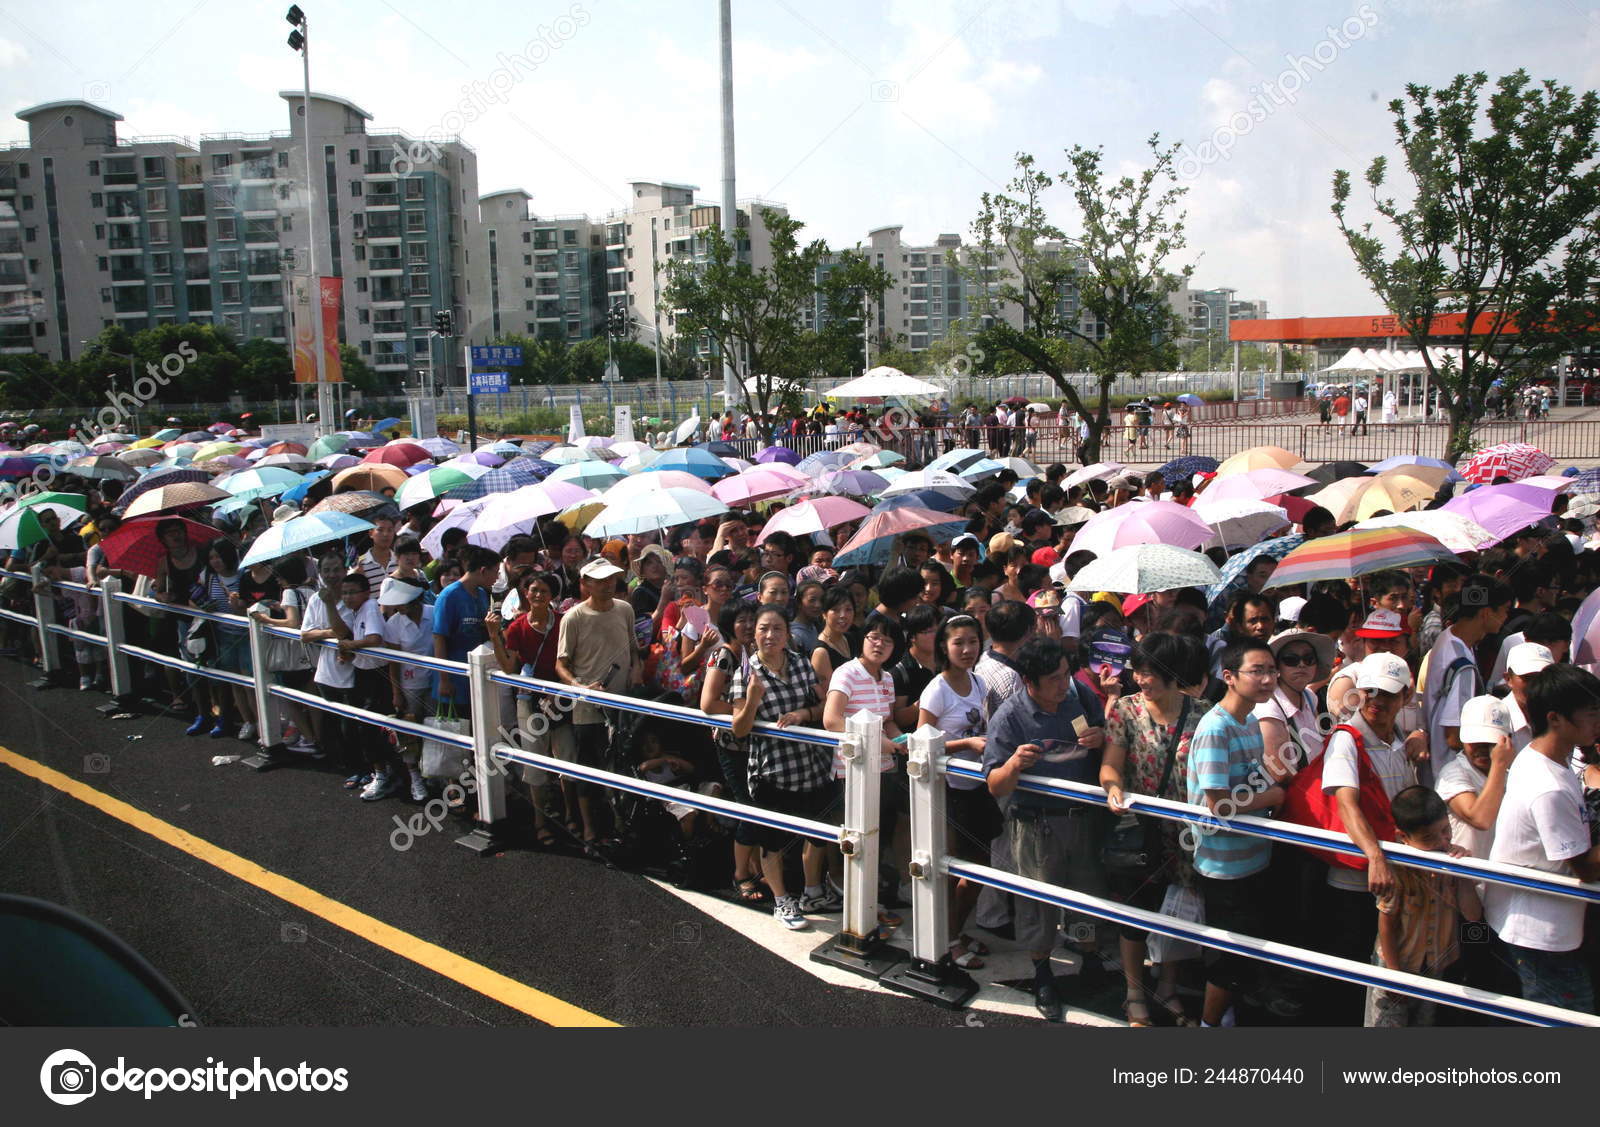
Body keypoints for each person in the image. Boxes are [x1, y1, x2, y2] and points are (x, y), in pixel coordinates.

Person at [983, 635, 1108, 1022]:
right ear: (1029, 682)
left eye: (1066, 675)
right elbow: (994, 784)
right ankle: (1042, 973)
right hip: (1035, 825)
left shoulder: (1082, 698)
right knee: (1036, 905)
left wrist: (1101, 738)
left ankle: (1091, 962)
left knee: (1087, 896)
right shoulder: (1010, 717)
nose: (1063, 684)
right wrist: (1014, 765)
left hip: (1084, 819)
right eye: (1054, 678)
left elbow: (1107, 742)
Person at [1100, 632, 1208, 1026]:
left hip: (1186, 833)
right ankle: (1134, 994)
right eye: (1138, 672)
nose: (1142, 681)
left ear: (1173, 674)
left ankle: (1168, 987)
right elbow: (1111, 762)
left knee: (1177, 911)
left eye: (1151, 673)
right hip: (1141, 829)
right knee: (1136, 911)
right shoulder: (1125, 710)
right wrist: (1113, 789)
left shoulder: (1202, 714)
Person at [1319, 652, 1428, 1022]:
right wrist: (1376, 858)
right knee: (1350, 975)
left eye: (1388, 693)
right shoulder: (1345, 741)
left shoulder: (1400, 739)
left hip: (1393, 879)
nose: (1376, 701)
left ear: (1406, 697)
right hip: (1356, 879)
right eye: (1369, 691)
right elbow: (1347, 804)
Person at [1484, 664, 1600, 1012]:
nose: (1599, 721)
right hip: (1540, 935)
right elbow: (1585, 867)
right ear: (1556, 718)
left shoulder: (1542, 759)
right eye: (1592, 713)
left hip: (1542, 925)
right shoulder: (1547, 786)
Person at [1185, 638, 1287, 1027]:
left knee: (1243, 954)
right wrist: (1272, 795)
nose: (1267, 679)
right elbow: (1218, 803)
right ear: (1229, 677)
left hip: (1251, 857)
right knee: (1226, 958)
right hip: (1224, 865)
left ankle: (1227, 1018)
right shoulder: (1216, 727)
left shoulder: (1248, 720)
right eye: (1257, 671)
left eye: (1271, 671)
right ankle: (1209, 1025)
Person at [729, 605, 835, 930]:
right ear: (754, 633)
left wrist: (804, 715)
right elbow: (739, 729)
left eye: (777, 628)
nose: (770, 635)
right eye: (763, 628)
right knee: (771, 840)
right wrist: (751, 699)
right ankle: (781, 899)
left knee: (817, 834)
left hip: (810, 765)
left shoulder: (802, 664)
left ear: (787, 634)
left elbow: (822, 705)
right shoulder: (746, 674)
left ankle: (812, 890)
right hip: (771, 771)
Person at [1364, 787, 1483, 1027]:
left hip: (1435, 966)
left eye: (1446, 831)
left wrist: (1463, 874)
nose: (1442, 842)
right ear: (1403, 837)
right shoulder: (1397, 870)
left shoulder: (1451, 865)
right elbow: (1386, 924)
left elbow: (1472, 915)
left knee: (1424, 1024)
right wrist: (1393, 975)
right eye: (1428, 838)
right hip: (1398, 963)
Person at [823, 611, 908, 929]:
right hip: (851, 771)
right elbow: (831, 720)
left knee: (877, 839)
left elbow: (887, 720)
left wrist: (899, 740)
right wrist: (878, 742)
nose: (880, 644)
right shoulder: (846, 673)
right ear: (863, 639)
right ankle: (858, 911)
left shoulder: (886, 678)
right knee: (857, 841)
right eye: (874, 636)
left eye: (887, 640)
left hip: (883, 770)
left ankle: (871, 905)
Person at [555, 557, 642, 849]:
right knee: (587, 766)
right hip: (587, 706)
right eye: (600, 580)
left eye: (611, 579)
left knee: (620, 763)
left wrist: (637, 667)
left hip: (621, 703)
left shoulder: (625, 609)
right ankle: (590, 828)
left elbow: (633, 646)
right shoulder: (574, 618)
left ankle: (621, 823)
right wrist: (579, 687)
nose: (607, 585)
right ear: (585, 583)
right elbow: (561, 664)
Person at [486, 569, 572, 846]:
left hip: (561, 699)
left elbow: (571, 660)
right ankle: (540, 821)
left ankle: (572, 816)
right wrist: (494, 635)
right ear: (526, 593)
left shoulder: (563, 622)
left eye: (543, 591)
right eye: (533, 590)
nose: (537, 595)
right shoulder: (518, 627)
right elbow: (509, 667)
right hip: (529, 699)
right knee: (534, 761)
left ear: (552, 597)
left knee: (567, 758)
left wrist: (559, 689)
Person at [1418, 576, 1510, 777]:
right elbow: (1453, 736)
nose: (1506, 617)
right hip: (1450, 773)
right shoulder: (1462, 666)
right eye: (1504, 610)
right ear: (1486, 613)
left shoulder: (1449, 636)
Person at [378, 575, 434, 803]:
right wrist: (396, 691)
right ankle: (415, 777)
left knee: (436, 729)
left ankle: (435, 773)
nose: (397, 606)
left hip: (435, 682)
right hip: (410, 684)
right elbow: (394, 661)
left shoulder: (434, 612)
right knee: (409, 733)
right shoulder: (394, 624)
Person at [433, 545, 498, 710]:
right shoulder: (449, 596)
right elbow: (439, 637)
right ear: (483, 570)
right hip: (454, 676)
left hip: (476, 675)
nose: (497, 577)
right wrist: (444, 680)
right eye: (496, 572)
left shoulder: (483, 594)